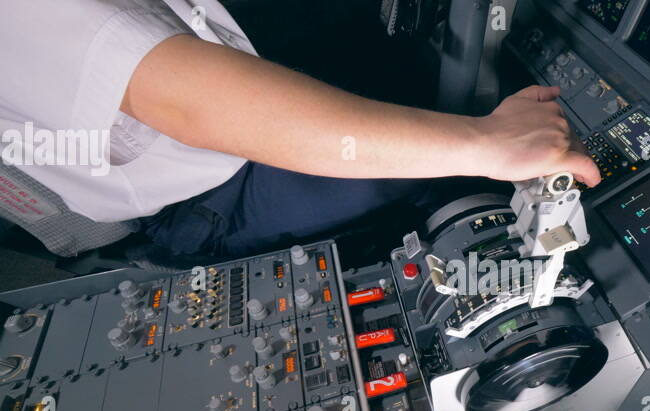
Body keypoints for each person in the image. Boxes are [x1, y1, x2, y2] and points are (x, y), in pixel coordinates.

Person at [1, 0, 600, 258]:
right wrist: (487, 143)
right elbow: (194, 104)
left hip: (209, 80)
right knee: (432, 174)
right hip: (205, 195)